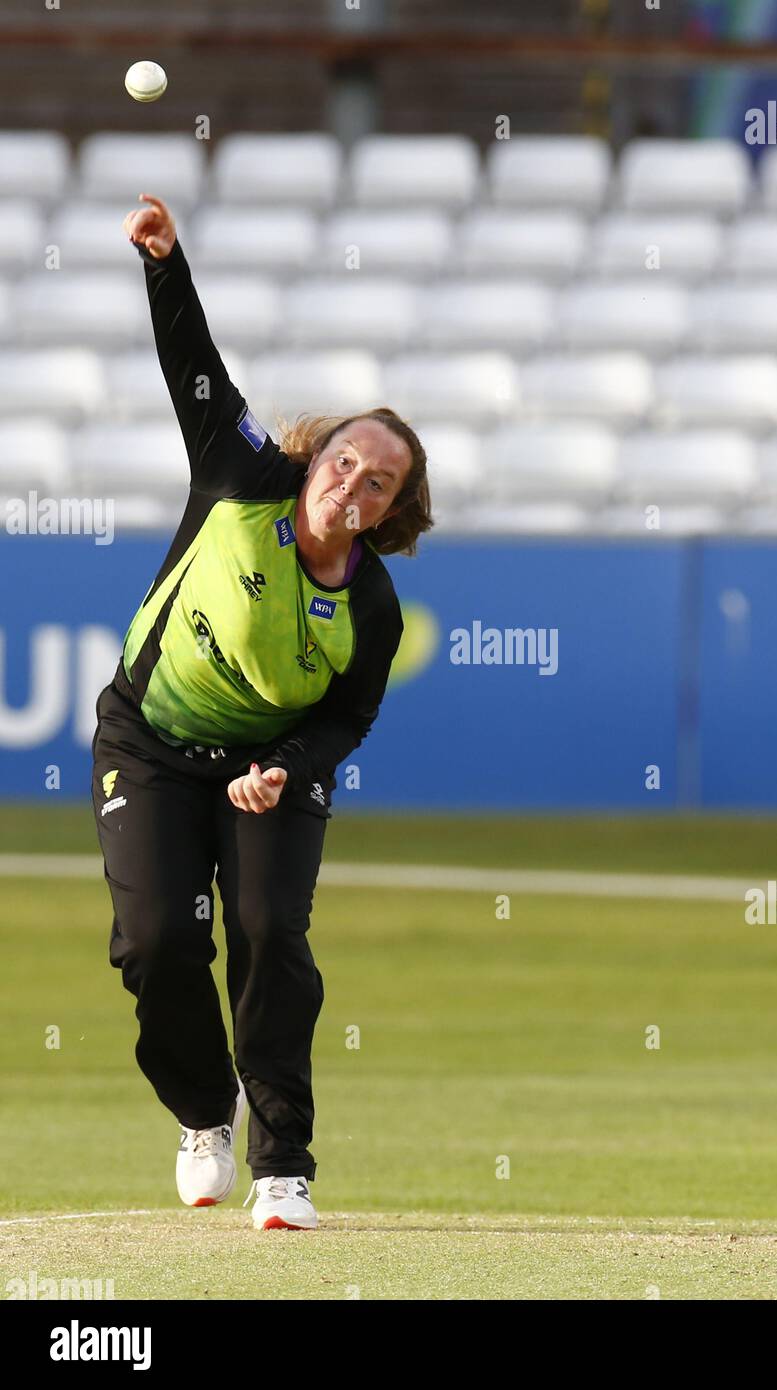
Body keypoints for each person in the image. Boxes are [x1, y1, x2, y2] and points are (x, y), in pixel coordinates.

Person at [90, 193, 433, 1230]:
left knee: (267, 930)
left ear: (389, 509)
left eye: (377, 485)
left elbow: (346, 719)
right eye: (345, 462)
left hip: (269, 770)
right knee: (155, 941)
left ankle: (284, 1162)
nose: (352, 487)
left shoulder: (370, 603)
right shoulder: (240, 476)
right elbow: (197, 374)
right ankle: (206, 1111)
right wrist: (163, 260)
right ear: (317, 455)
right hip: (148, 739)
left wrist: (284, 761)